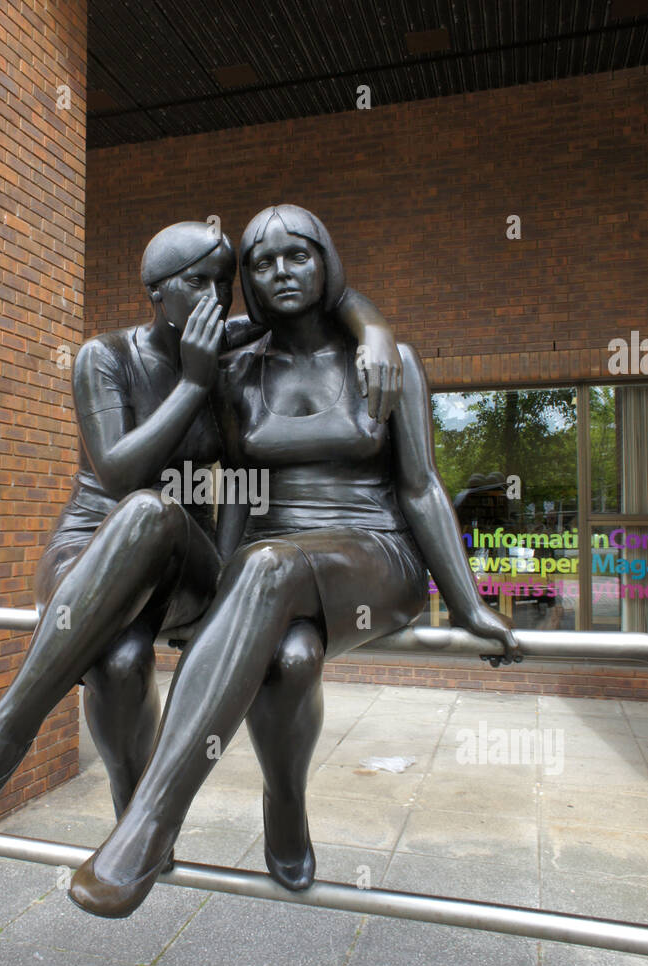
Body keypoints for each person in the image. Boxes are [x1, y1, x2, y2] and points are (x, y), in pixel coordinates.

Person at [68, 205, 520, 919]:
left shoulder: (386, 359)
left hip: (372, 554)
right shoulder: (236, 366)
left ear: (327, 263)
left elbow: (420, 486)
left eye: (298, 256)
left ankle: (149, 826)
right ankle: (285, 804)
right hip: (271, 569)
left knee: (268, 568)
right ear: (243, 279)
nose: (281, 272)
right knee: (290, 657)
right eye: (261, 262)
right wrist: (215, 590)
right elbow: (239, 495)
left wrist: (465, 602)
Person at [0, 219, 402, 817]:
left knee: (158, 512)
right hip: (91, 550)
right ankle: (128, 807)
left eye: (223, 284)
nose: (215, 298)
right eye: (197, 281)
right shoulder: (105, 356)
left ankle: (8, 731)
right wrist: (190, 385)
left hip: (183, 564)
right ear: (157, 289)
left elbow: (316, 299)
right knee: (121, 661)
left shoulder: (223, 350)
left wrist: (374, 330)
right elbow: (119, 475)